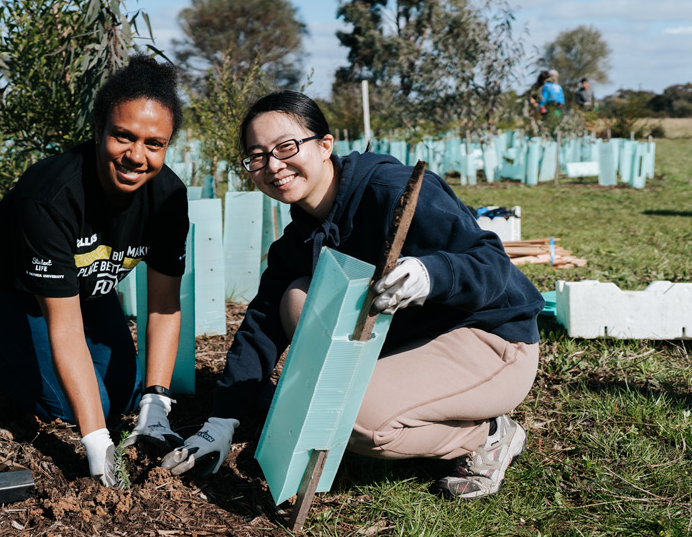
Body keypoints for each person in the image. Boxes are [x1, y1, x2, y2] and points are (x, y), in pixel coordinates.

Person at [162, 91, 544, 500]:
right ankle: (392, 397)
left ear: (325, 145)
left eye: (286, 147)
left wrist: (431, 273)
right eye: (257, 157)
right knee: (295, 297)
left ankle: (486, 435)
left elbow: (491, 262)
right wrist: (222, 420)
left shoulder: (391, 191)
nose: (274, 166)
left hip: (489, 336)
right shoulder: (300, 236)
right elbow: (263, 322)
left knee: (351, 420)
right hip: (410, 340)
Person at [0, 55, 189, 487]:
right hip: (6, 285)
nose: (137, 156)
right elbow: (64, 327)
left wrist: (157, 402)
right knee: (69, 405)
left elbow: (163, 307)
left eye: (154, 144)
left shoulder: (168, 200)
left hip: (83, 286)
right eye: (123, 136)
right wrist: (96, 441)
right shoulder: (51, 197)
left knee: (125, 395)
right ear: (99, 131)